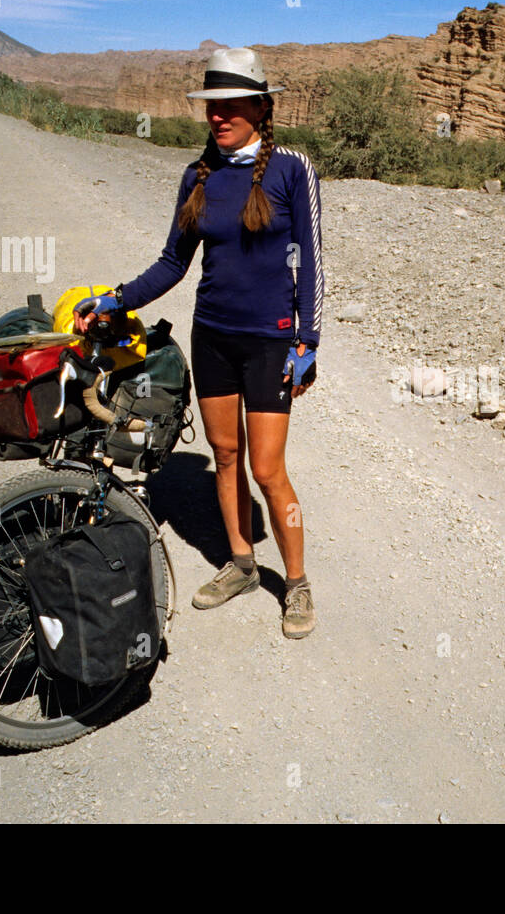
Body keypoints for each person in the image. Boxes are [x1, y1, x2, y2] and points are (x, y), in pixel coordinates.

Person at [75, 47, 323, 640]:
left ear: (260, 108)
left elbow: (312, 262)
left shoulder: (293, 167)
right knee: (226, 455)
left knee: (267, 468)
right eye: (211, 106)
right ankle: (240, 562)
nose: (218, 115)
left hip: (271, 341)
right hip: (211, 335)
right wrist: (116, 298)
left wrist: (308, 340)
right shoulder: (198, 175)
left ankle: (295, 582)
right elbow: (172, 263)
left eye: (230, 104)